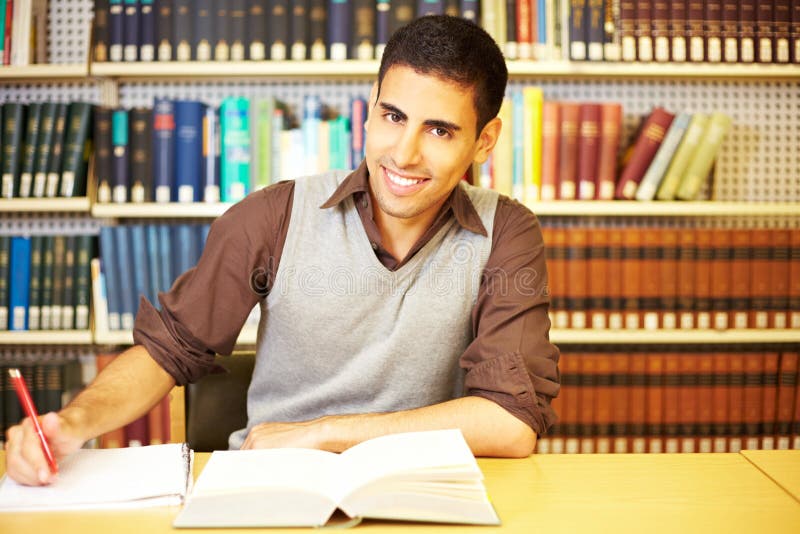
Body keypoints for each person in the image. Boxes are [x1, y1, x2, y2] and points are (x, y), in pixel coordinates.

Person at [6, 15, 560, 486]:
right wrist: (73, 423)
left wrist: (322, 433)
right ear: (370, 108)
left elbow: (510, 422)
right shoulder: (276, 215)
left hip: (421, 494)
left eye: (439, 130)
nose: (404, 154)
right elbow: (167, 350)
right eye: (392, 117)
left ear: (484, 140)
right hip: (274, 490)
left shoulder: (506, 232)